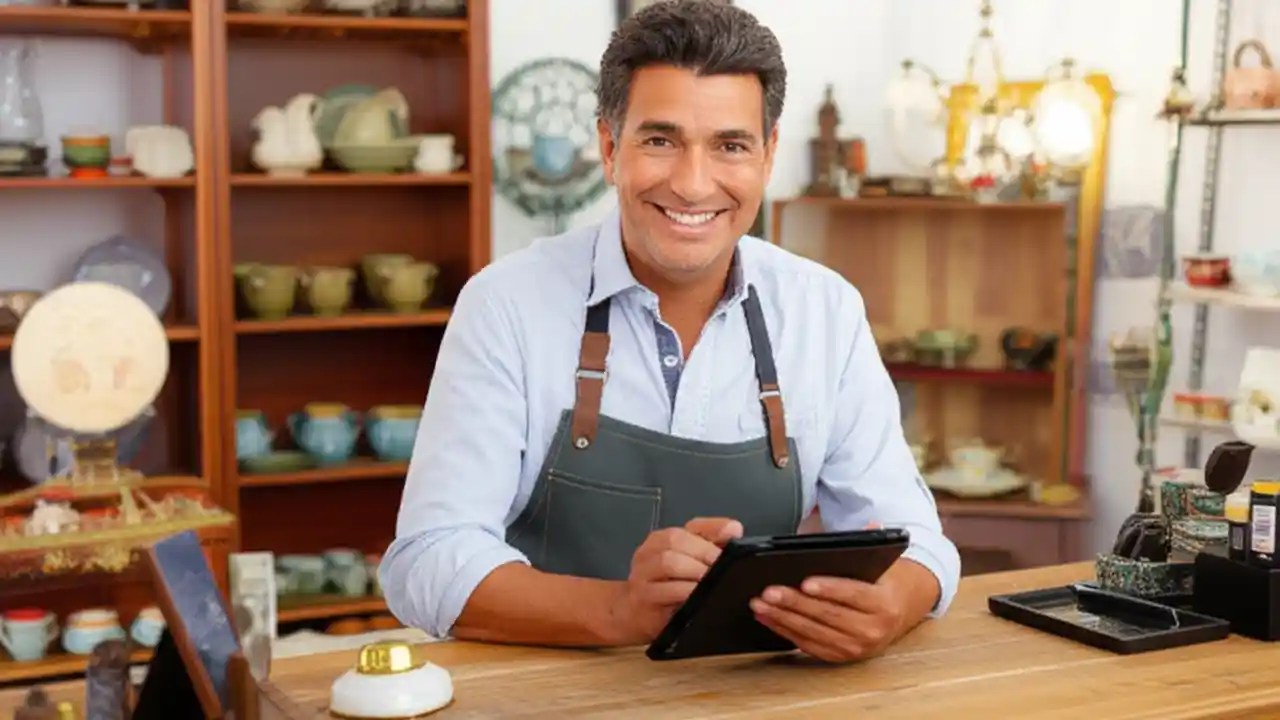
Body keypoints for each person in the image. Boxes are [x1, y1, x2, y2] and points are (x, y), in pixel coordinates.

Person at [381, 0, 960, 664]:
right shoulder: (506, 305)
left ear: (767, 156)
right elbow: (426, 560)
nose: (692, 184)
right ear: (608, 147)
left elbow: (919, 540)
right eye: (660, 140)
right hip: (545, 699)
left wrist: (892, 606)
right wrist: (616, 612)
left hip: (758, 699)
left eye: (730, 146)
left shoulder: (824, 310)